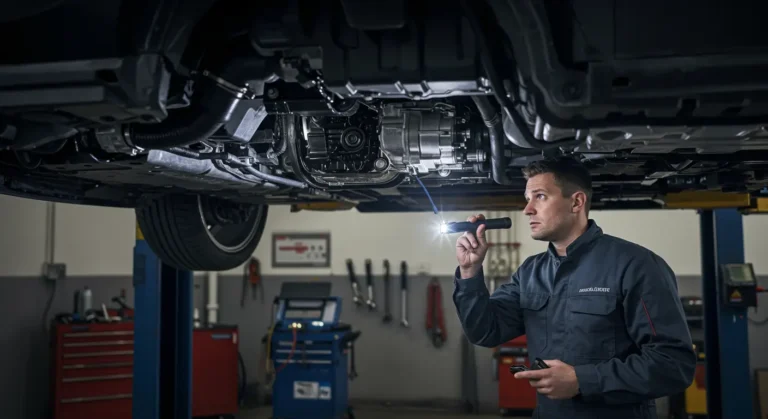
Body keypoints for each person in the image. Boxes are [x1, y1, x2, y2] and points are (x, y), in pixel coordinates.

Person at [452, 157, 696, 419]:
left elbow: (673, 364)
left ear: (577, 202)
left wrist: (583, 380)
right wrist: (470, 271)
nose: (527, 209)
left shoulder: (635, 265)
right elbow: (485, 332)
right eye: (527, 198)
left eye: (540, 196)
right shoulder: (531, 272)